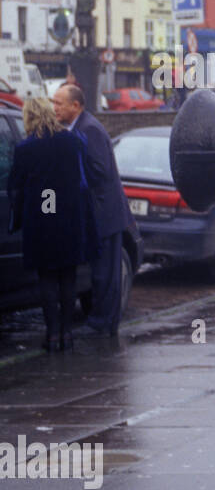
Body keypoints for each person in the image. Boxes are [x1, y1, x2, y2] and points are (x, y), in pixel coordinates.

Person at [8, 97, 99, 351]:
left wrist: (18, 215)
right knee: (67, 279)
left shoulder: (25, 148)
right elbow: (85, 177)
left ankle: (52, 335)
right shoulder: (73, 141)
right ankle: (67, 335)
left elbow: (15, 186)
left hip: (41, 221)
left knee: (47, 279)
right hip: (69, 218)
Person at [51, 83, 136, 335]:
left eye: (58, 103)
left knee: (106, 275)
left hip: (105, 214)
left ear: (75, 106)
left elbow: (100, 171)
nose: (54, 107)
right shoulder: (79, 127)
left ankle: (103, 325)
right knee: (100, 273)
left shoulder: (89, 129)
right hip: (98, 214)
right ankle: (101, 322)